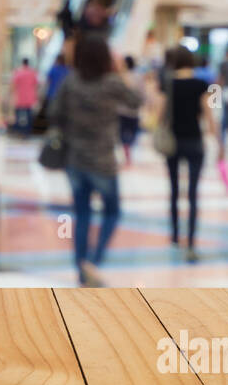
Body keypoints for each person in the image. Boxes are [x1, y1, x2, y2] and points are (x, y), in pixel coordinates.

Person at [47, 34, 143, 287]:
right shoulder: (112, 83)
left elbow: (53, 113)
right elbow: (136, 101)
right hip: (103, 160)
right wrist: (121, 71)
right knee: (112, 212)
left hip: (75, 159)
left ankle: (81, 270)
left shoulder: (71, 82)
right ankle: (94, 260)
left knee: (82, 214)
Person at [159, 44, 217, 263]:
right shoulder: (201, 84)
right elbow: (208, 115)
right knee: (193, 193)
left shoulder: (168, 84)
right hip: (194, 141)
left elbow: (161, 113)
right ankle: (191, 243)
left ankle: (175, 237)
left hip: (173, 142)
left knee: (174, 190)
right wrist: (217, 140)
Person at [117, 55, 141, 165]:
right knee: (132, 132)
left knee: (122, 132)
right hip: (134, 111)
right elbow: (143, 93)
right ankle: (128, 150)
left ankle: (126, 151)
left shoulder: (121, 76)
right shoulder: (138, 77)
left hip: (122, 110)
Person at [10, 57, 40, 134]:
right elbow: (36, 85)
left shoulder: (18, 72)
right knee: (29, 114)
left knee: (18, 114)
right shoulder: (32, 73)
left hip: (20, 97)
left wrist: (12, 95)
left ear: (22, 63)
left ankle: (19, 130)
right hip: (30, 97)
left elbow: (13, 85)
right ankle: (28, 131)